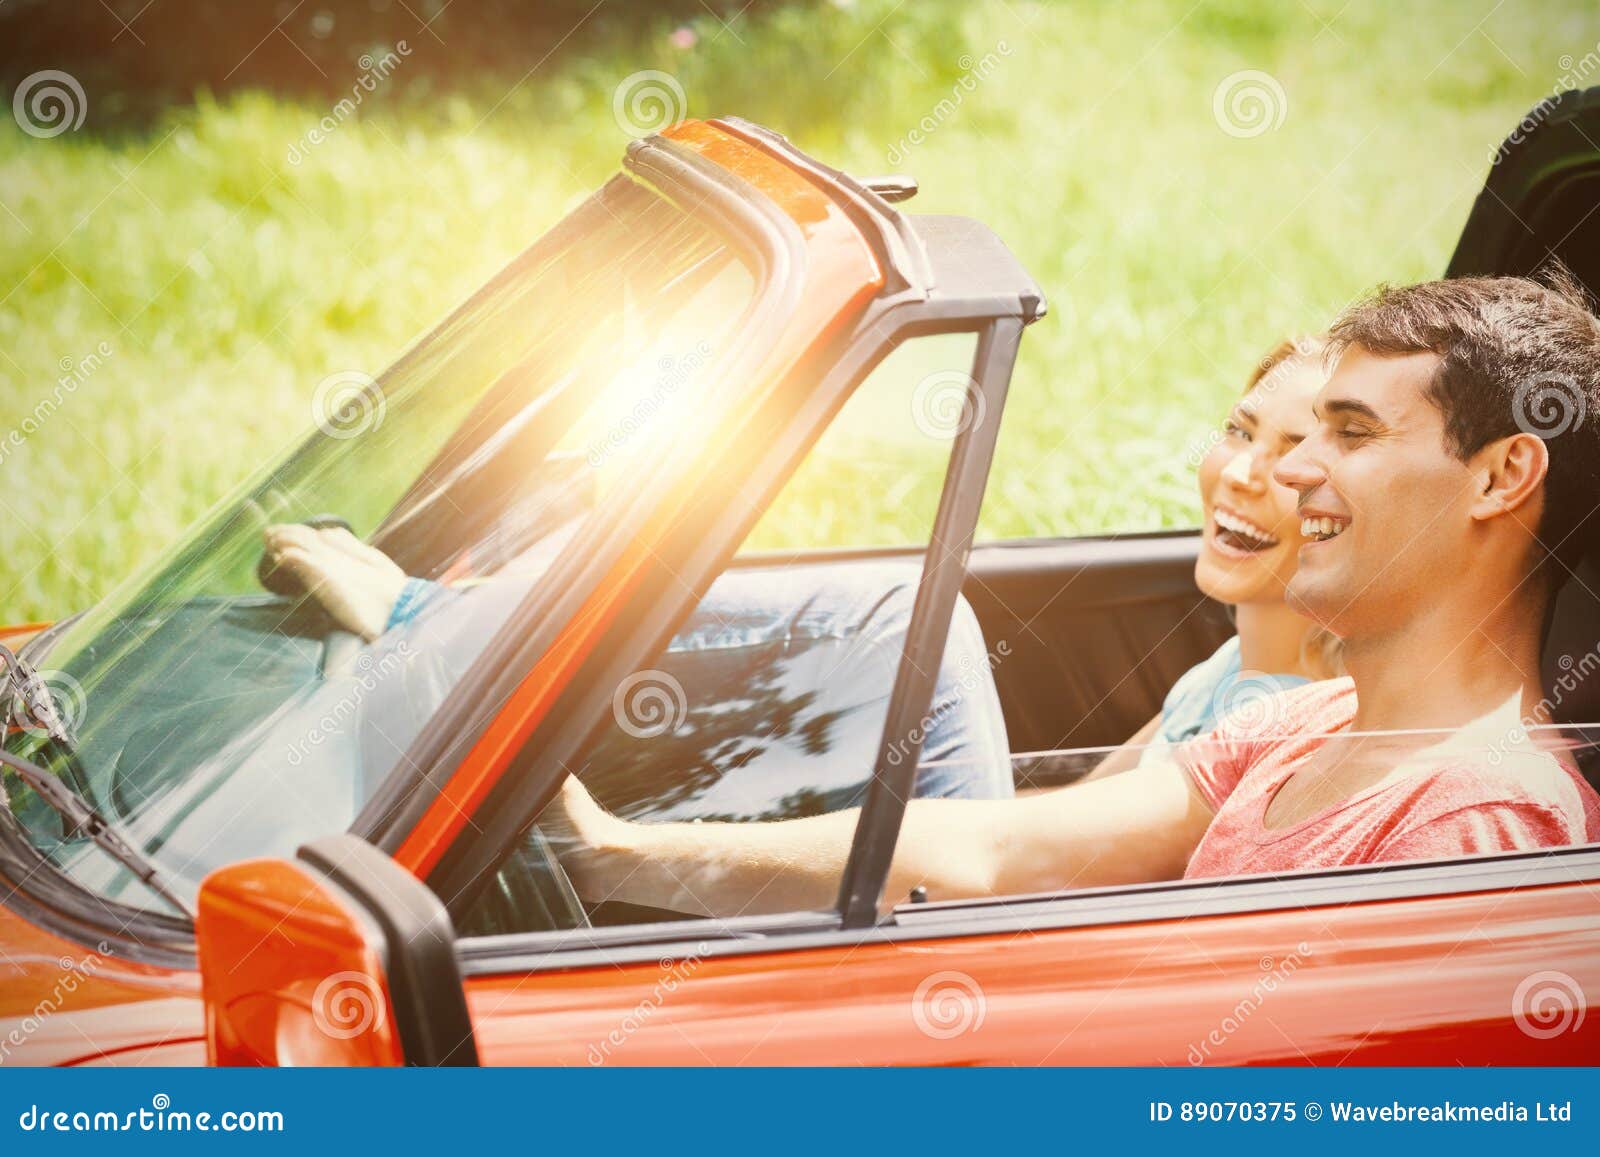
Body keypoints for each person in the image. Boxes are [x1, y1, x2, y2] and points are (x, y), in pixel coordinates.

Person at [532, 273, 1600, 918]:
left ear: (1501, 476)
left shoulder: (1482, 830)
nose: (1292, 470)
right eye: (1298, 426)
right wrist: (612, 851)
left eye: (1351, 433)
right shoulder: (1305, 720)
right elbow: (989, 850)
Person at [1087, 335, 1342, 780]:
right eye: (1240, 432)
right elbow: (1081, 802)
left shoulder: (1290, 729)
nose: (1237, 473)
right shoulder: (1230, 664)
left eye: (1298, 453)